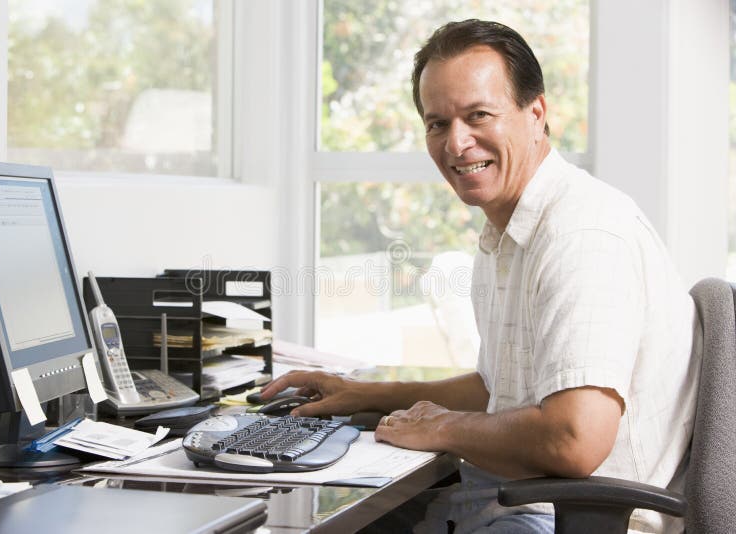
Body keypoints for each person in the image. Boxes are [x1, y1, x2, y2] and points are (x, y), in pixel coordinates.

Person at [262, 19, 700, 533]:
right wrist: (366, 394)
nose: (457, 143)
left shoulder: (584, 236)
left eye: (478, 115)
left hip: (562, 519)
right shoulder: (508, 236)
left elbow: (574, 439)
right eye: (437, 124)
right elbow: (501, 393)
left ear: (536, 114)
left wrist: (443, 427)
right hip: (513, 501)